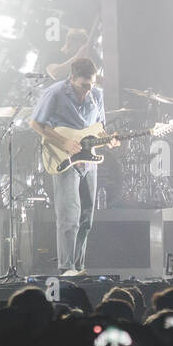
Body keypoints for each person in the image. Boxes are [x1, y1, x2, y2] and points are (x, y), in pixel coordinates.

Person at [29, 57, 117, 275]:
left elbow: (99, 129)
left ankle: (78, 267)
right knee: (69, 216)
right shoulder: (55, 92)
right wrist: (63, 142)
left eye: (92, 84)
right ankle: (66, 267)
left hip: (89, 160)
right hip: (64, 158)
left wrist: (109, 139)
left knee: (86, 217)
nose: (88, 89)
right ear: (72, 78)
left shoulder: (97, 95)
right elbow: (36, 123)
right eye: (84, 85)